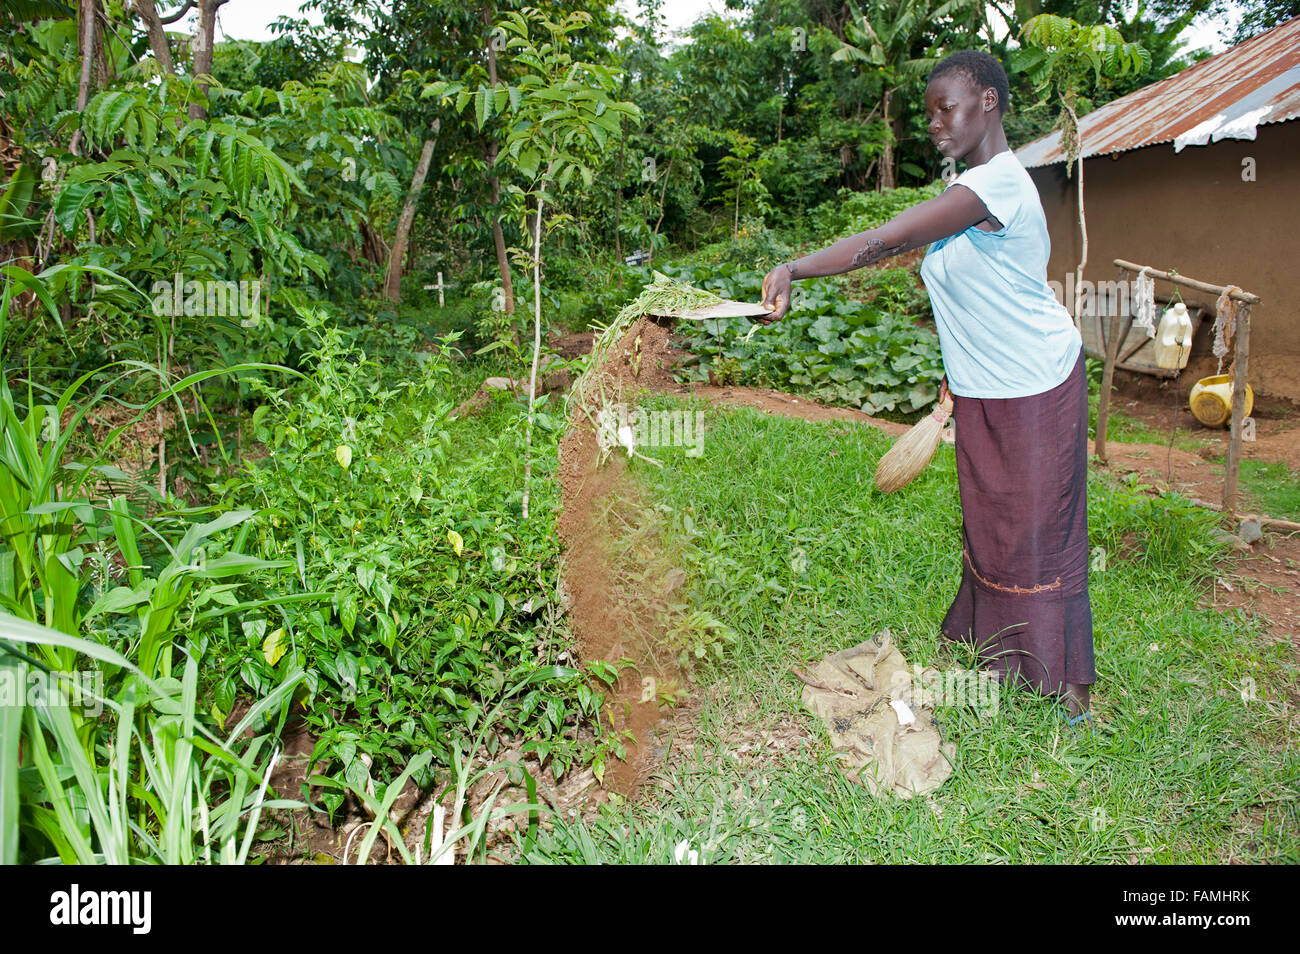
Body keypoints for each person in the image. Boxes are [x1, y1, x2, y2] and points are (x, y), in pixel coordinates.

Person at [758, 50, 1094, 723]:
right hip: (983, 390)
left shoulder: (996, 185)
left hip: (1036, 386)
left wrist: (795, 266)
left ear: (990, 103)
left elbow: (883, 243)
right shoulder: (967, 191)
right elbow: (972, 297)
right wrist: (953, 383)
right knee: (991, 526)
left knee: (1038, 533)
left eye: (949, 108)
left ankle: (1066, 684)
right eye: (930, 112)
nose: (935, 123)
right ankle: (997, 652)